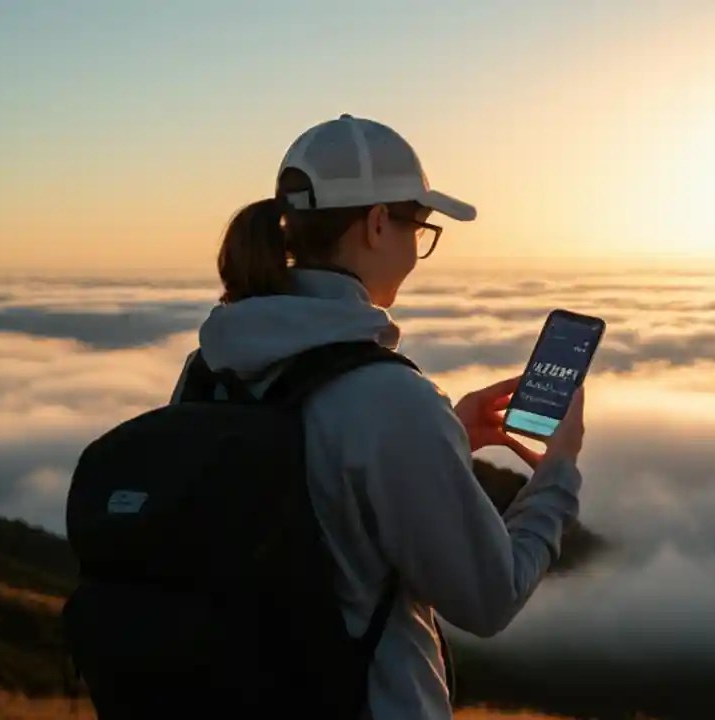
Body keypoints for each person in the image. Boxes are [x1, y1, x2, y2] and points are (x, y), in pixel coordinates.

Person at [172, 114, 586, 719]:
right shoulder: (387, 398)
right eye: (419, 226)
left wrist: (449, 436)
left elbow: (308, 484)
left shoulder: (207, 367)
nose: (419, 245)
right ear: (375, 225)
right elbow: (488, 598)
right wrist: (558, 475)